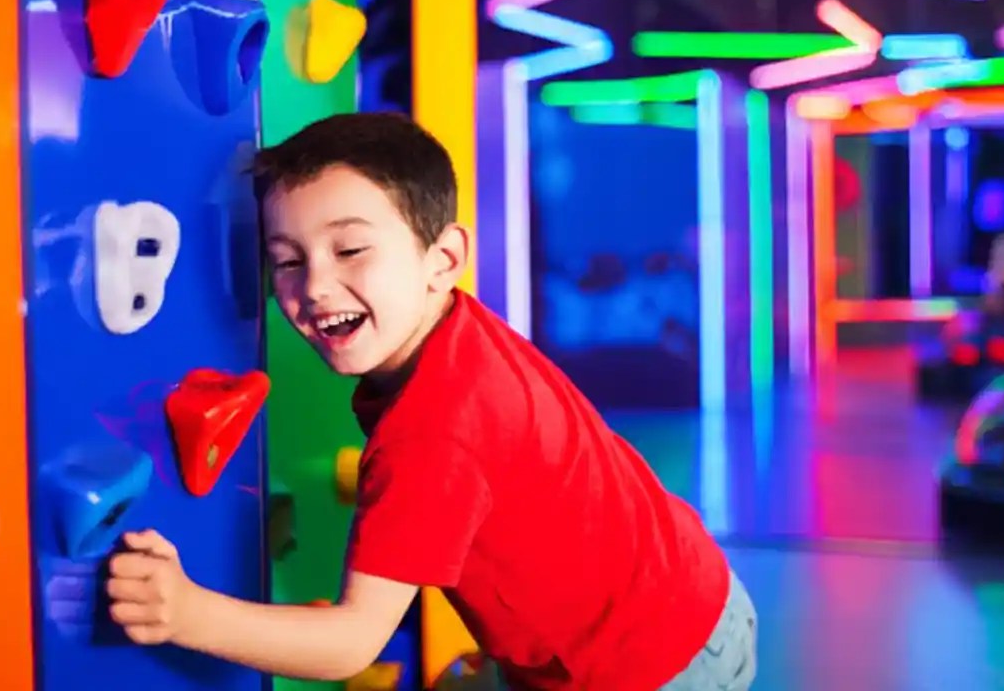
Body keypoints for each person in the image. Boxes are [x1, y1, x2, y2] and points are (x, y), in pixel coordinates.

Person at [105, 112, 756, 690]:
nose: (316, 286)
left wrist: (186, 613)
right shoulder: (452, 329)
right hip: (688, 591)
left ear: (443, 259)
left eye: (351, 249)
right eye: (287, 260)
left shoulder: (433, 429)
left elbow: (353, 643)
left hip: (651, 665)